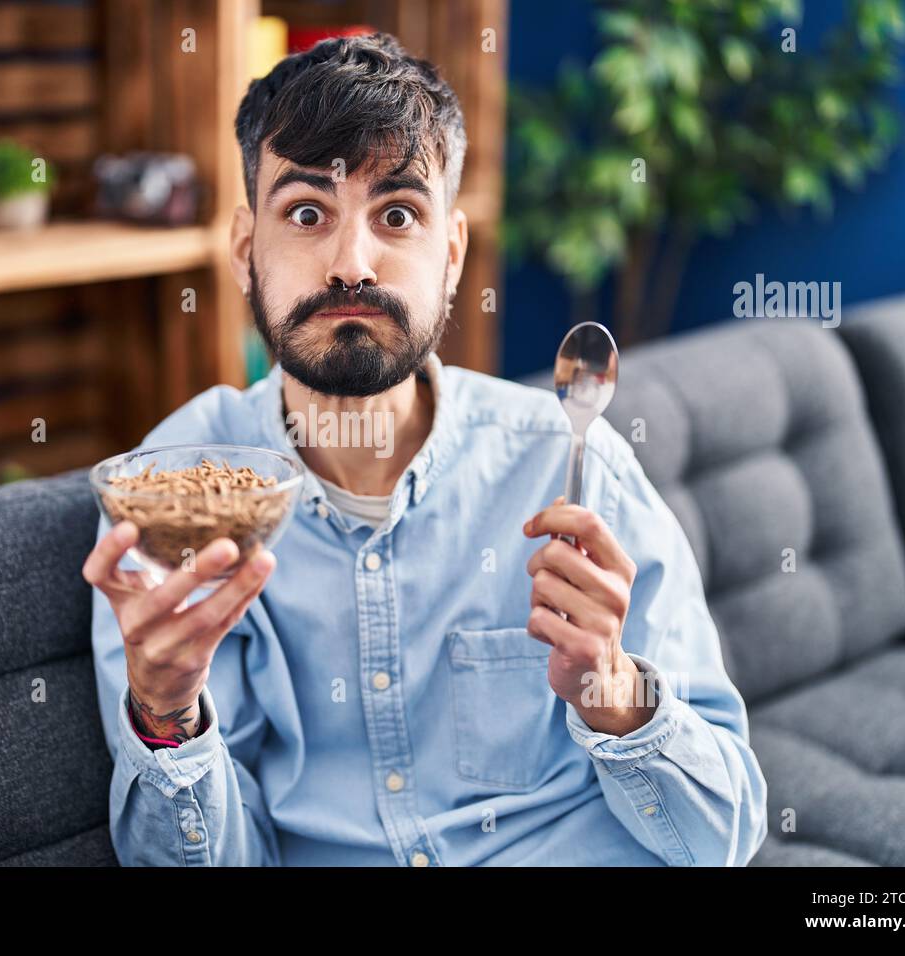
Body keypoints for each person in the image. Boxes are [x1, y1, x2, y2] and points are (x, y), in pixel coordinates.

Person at [84, 32, 768, 866]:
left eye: (397, 214)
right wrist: (164, 717)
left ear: (450, 256)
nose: (350, 264)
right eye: (307, 213)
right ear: (243, 250)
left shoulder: (569, 461)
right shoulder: (175, 495)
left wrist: (615, 692)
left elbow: (724, 837)